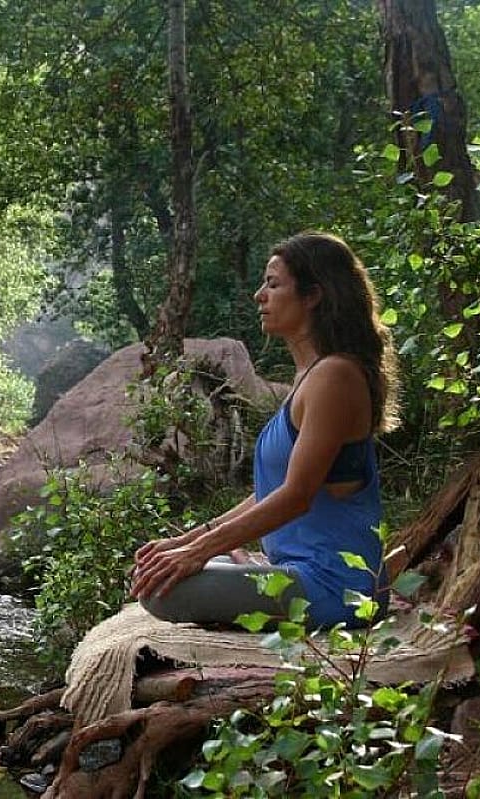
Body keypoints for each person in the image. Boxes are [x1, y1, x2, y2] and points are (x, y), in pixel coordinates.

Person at [130, 232, 399, 629]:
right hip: (296, 571)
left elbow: (296, 497)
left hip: (335, 587)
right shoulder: (312, 374)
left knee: (162, 590)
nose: (260, 295)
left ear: (313, 296)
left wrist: (196, 552)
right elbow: (272, 492)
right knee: (153, 570)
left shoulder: (335, 376)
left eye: (273, 284)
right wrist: (186, 542)